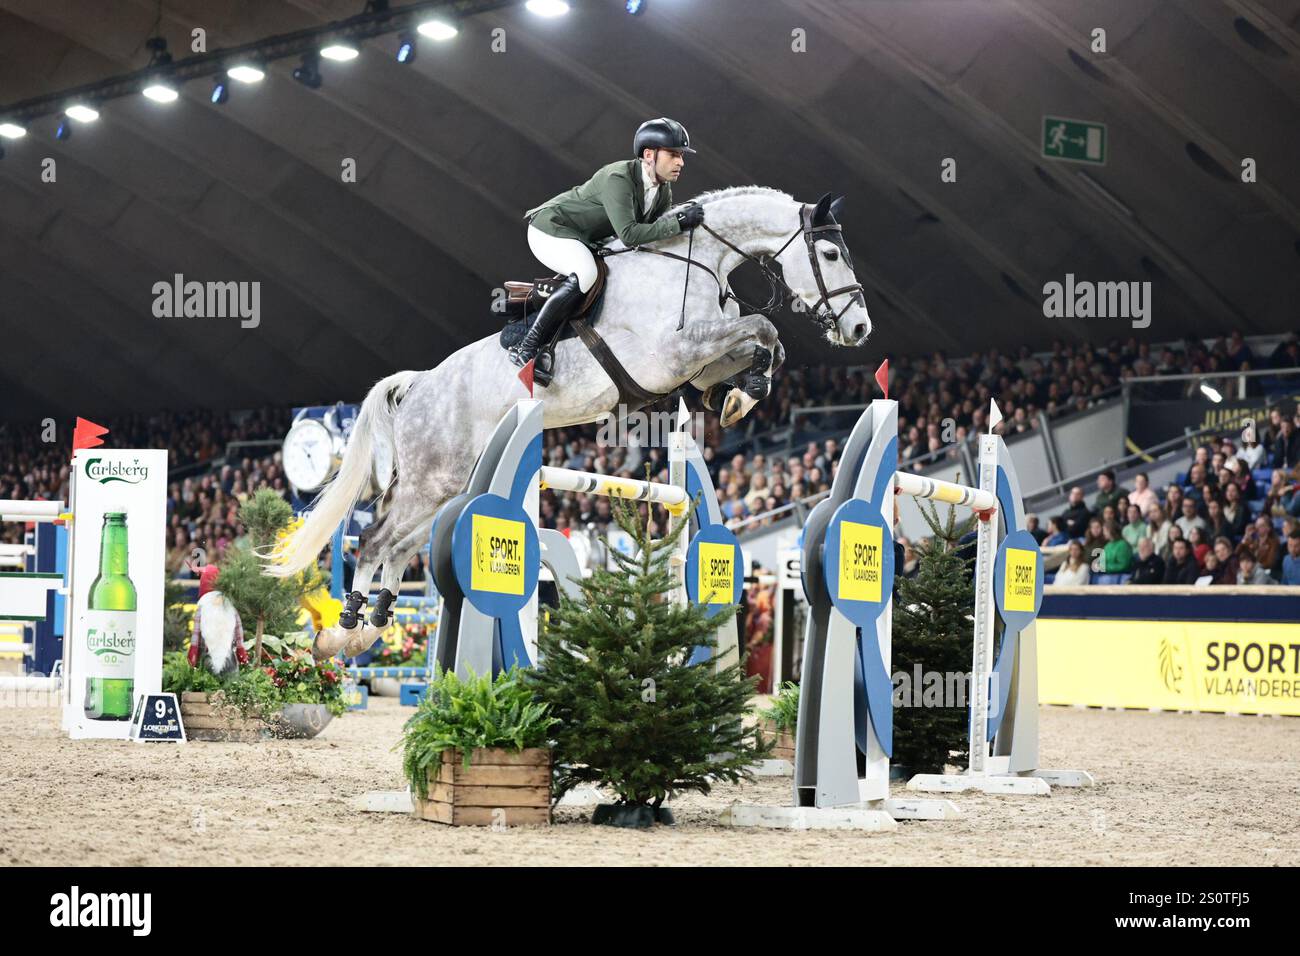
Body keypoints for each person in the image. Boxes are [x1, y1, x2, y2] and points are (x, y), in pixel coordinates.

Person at [514, 117, 703, 370]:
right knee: (587, 273)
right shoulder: (619, 177)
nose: (680, 162)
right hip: (550, 229)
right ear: (649, 154)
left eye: (681, 155)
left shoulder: (662, 190)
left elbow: (655, 236)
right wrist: (679, 223)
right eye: (673, 154)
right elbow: (630, 234)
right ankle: (527, 346)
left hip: (584, 240)